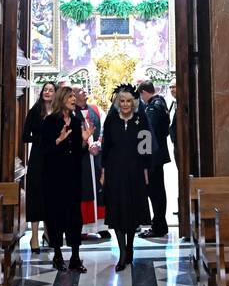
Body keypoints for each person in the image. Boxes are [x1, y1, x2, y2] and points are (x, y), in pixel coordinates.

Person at [100, 84, 151, 271]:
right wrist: (103, 172)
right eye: (122, 101)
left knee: (132, 213)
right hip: (115, 173)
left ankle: (130, 248)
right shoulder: (111, 120)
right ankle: (122, 254)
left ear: (134, 102)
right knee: (117, 212)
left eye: (129, 101)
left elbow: (146, 147)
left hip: (135, 172)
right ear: (117, 102)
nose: (125, 104)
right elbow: (105, 149)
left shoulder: (141, 119)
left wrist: (145, 171)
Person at [40, 85, 89, 273]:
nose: (74, 99)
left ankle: (75, 256)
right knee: (56, 215)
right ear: (62, 99)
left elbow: (78, 152)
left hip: (73, 176)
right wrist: (58, 141)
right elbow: (44, 151)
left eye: (74, 97)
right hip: (54, 177)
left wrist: (84, 141)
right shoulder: (50, 122)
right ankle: (58, 255)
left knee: (74, 216)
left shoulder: (76, 122)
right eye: (70, 97)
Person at [22, 81, 56, 251]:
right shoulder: (35, 111)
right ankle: (34, 237)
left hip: (53, 159)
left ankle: (49, 233)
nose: (47, 92)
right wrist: (41, 139)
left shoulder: (58, 112)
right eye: (45, 89)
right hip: (37, 158)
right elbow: (25, 136)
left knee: (50, 196)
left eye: (51, 90)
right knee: (36, 196)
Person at [137, 79, 171, 238]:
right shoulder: (160, 103)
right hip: (158, 155)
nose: (142, 99)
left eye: (141, 96)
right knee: (157, 191)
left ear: (144, 92)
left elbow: (147, 132)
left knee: (155, 192)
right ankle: (159, 224)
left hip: (153, 157)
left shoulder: (153, 107)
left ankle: (158, 226)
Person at [72, 84, 107, 240]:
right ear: (73, 95)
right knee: (83, 190)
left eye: (84, 89)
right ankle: (83, 227)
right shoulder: (70, 113)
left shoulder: (96, 110)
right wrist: (86, 145)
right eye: (80, 90)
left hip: (97, 156)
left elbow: (105, 129)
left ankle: (101, 226)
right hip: (81, 158)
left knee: (100, 188)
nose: (84, 91)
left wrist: (99, 143)